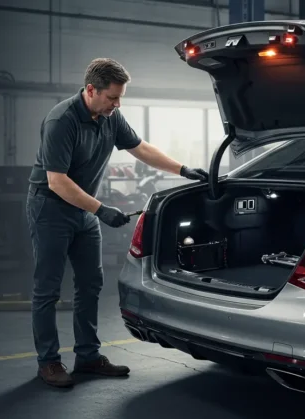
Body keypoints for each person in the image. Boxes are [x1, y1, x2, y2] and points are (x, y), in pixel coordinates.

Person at [26, 58, 208, 388]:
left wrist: (183, 170)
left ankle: (88, 357)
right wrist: (102, 210)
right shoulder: (61, 121)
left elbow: (140, 148)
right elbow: (57, 182)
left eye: (120, 97)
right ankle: (49, 363)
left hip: (84, 211)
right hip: (51, 209)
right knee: (48, 290)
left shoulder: (110, 116)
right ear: (91, 90)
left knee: (90, 284)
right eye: (113, 97)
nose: (118, 104)